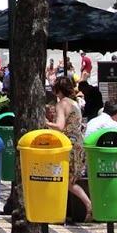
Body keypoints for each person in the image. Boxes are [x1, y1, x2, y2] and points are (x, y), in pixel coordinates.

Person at [44, 75, 96, 220]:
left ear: (57, 89)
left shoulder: (61, 104)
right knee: (68, 179)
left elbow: (60, 126)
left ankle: (88, 205)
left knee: (64, 179)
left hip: (67, 145)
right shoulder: (75, 104)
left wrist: (46, 122)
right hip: (78, 143)